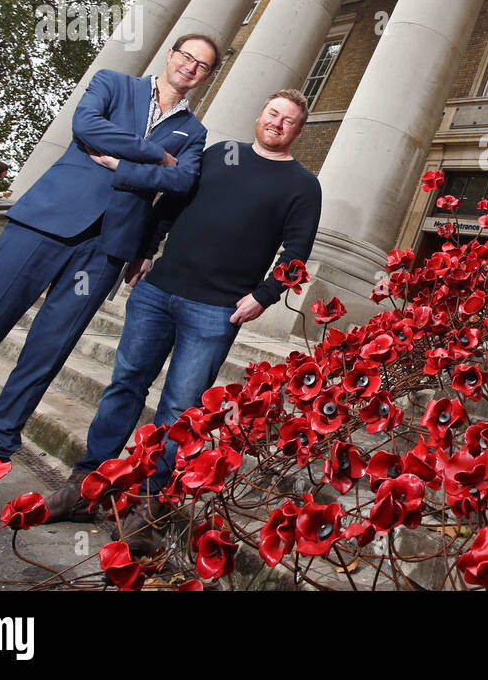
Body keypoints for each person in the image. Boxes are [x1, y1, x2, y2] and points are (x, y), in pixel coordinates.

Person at [0, 34, 221, 528]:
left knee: (43, 358)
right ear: (171, 56)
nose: (191, 68)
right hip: (41, 226)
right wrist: (155, 158)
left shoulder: (193, 132)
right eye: (186, 57)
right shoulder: (113, 83)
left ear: (207, 77)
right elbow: (87, 127)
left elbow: (181, 184)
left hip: (105, 249)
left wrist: (126, 168)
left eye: (203, 66)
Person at [42, 89, 321, 554]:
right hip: (158, 291)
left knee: (181, 411)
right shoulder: (220, 154)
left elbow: (296, 254)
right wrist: (147, 250)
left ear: (297, 130)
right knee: (125, 384)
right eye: (272, 112)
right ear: (260, 114)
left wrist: (264, 297)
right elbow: (169, 205)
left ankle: (146, 510)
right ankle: (87, 485)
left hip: (216, 310)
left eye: (288, 119)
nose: (277, 123)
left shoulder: (302, 184)